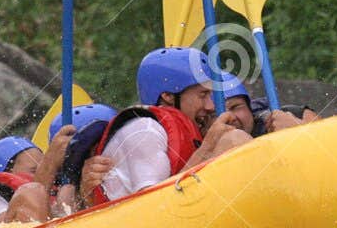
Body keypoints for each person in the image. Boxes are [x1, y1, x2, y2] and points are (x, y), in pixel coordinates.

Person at [85, 47, 251, 206]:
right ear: (168, 96)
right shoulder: (144, 129)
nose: (210, 106)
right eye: (203, 95)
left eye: (211, 95)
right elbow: (155, 208)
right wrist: (207, 148)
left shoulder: (186, 131)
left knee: (232, 139)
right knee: (233, 140)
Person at [0, 128, 74, 228]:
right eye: (34, 171)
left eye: (43, 166)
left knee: (68, 192)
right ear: (6, 173)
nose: (45, 172)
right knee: (31, 192)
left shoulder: (57, 192)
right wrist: (49, 166)